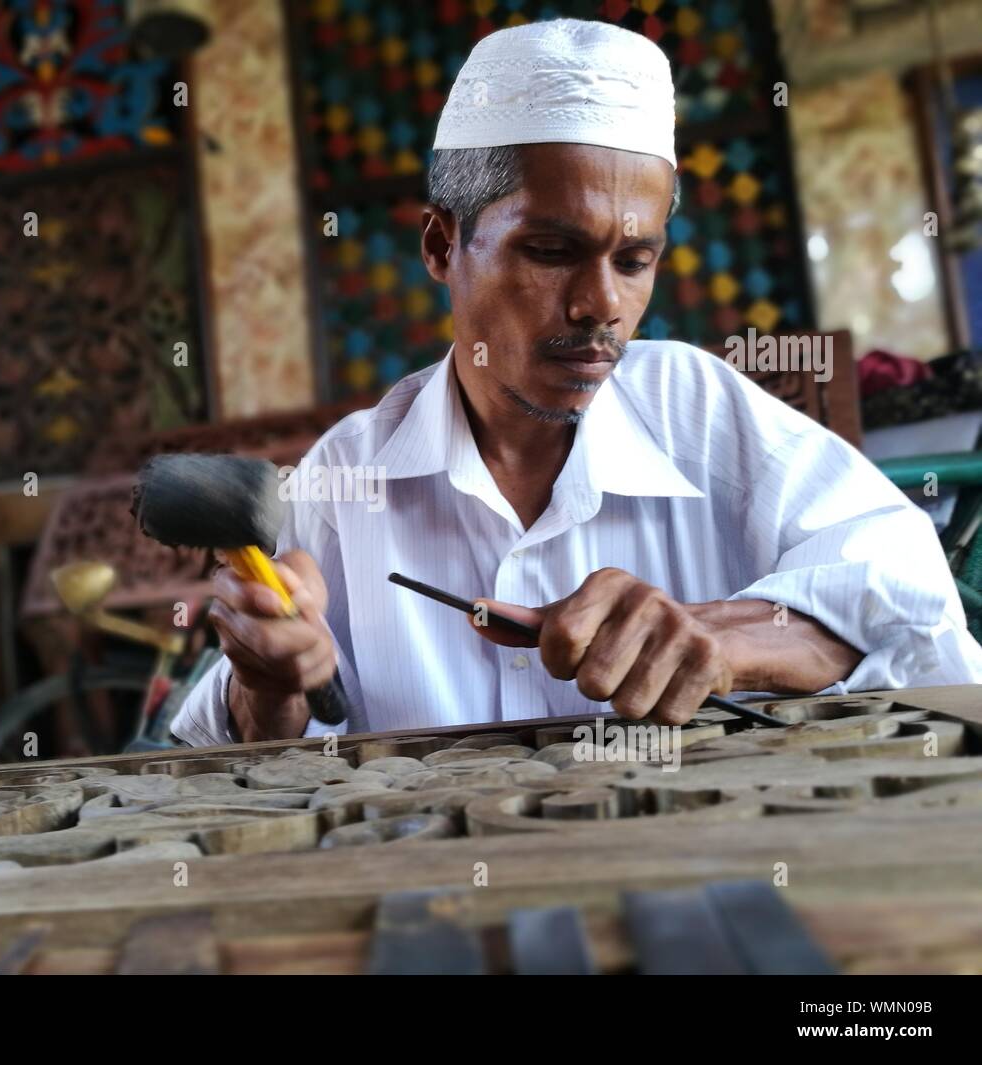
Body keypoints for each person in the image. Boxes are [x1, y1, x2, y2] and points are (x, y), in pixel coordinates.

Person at [171, 18, 982, 746]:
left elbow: (908, 596)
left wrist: (720, 640)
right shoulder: (347, 478)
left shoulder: (696, 410)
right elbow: (243, 750)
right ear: (441, 246)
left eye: (635, 261)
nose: (603, 305)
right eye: (551, 252)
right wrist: (268, 684)